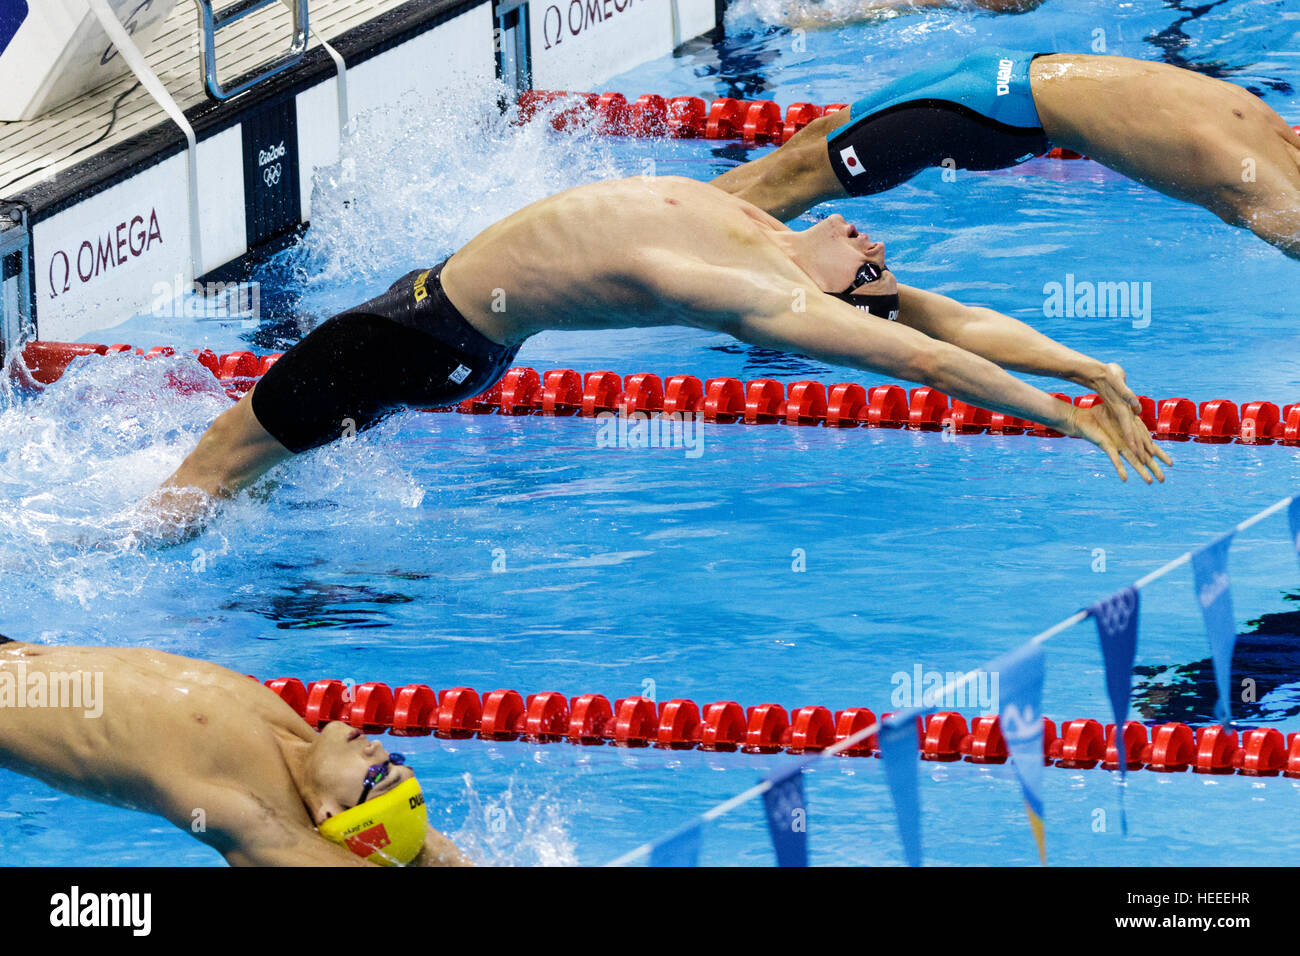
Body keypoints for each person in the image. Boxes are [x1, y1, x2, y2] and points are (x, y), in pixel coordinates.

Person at [148, 175, 1168, 533]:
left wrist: (1065, 424)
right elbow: (951, 321)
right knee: (253, 464)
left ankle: (117, 548)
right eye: (872, 258)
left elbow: (935, 364)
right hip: (437, 322)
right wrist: (1085, 368)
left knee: (215, 459)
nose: (875, 252)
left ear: (830, 302)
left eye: (866, 275)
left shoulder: (760, 290)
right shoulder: (774, 236)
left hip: (417, 337)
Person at [710, 47, 1300, 256]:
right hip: (991, 78)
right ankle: (655, 209)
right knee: (807, 147)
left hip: (981, 115)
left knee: (796, 181)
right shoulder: (1274, 149)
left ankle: (680, 236)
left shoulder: (1263, 171)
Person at [0, 636, 470, 867]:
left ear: (329, 814)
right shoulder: (301, 745)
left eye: (375, 776)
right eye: (395, 764)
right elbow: (430, 848)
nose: (379, 749)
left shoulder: (240, 808)